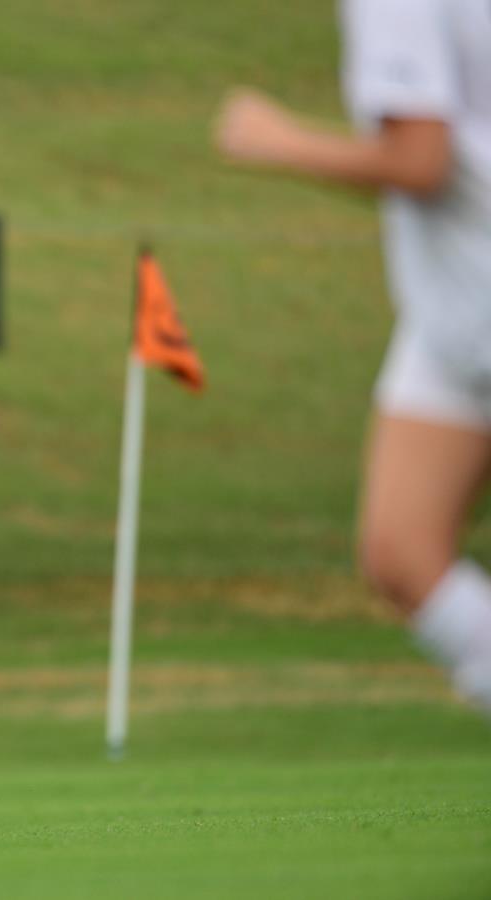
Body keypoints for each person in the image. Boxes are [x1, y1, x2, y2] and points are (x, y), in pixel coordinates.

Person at [215, 0, 491, 716]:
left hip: (477, 292)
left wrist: (277, 141)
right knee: (401, 549)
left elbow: (421, 159)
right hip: (454, 311)